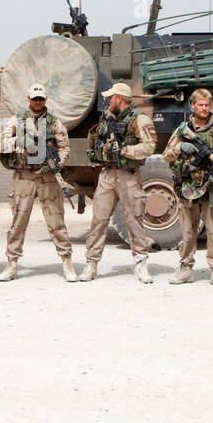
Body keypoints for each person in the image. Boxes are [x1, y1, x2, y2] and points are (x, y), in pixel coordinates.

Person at [0, 83, 76, 282]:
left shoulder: (55, 123)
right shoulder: (17, 120)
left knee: (56, 221)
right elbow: (1, 143)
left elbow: (65, 148)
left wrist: (56, 163)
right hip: (24, 177)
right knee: (18, 221)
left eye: (41, 99)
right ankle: (12, 263)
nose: (37, 102)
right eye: (34, 99)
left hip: (48, 178)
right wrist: (18, 143)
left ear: (45, 100)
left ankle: (66, 261)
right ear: (28, 99)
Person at [161, 87, 213, 287]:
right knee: (188, 231)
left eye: (207, 105)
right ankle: (185, 268)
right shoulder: (183, 129)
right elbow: (166, 155)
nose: (204, 108)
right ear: (193, 105)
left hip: (212, 186)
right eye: (200, 105)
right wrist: (180, 147)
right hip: (188, 187)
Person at [80, 82, 157, 283]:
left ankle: (141, 263)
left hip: (128, 176)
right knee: (98, 220)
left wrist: (124, 151)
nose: (107, 100)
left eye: (111, 97)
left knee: (134, 220)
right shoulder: (105, 118)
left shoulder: (139, 120)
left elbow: (149, 146)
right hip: (107, 175)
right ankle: (91, 263)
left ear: (119, 99)